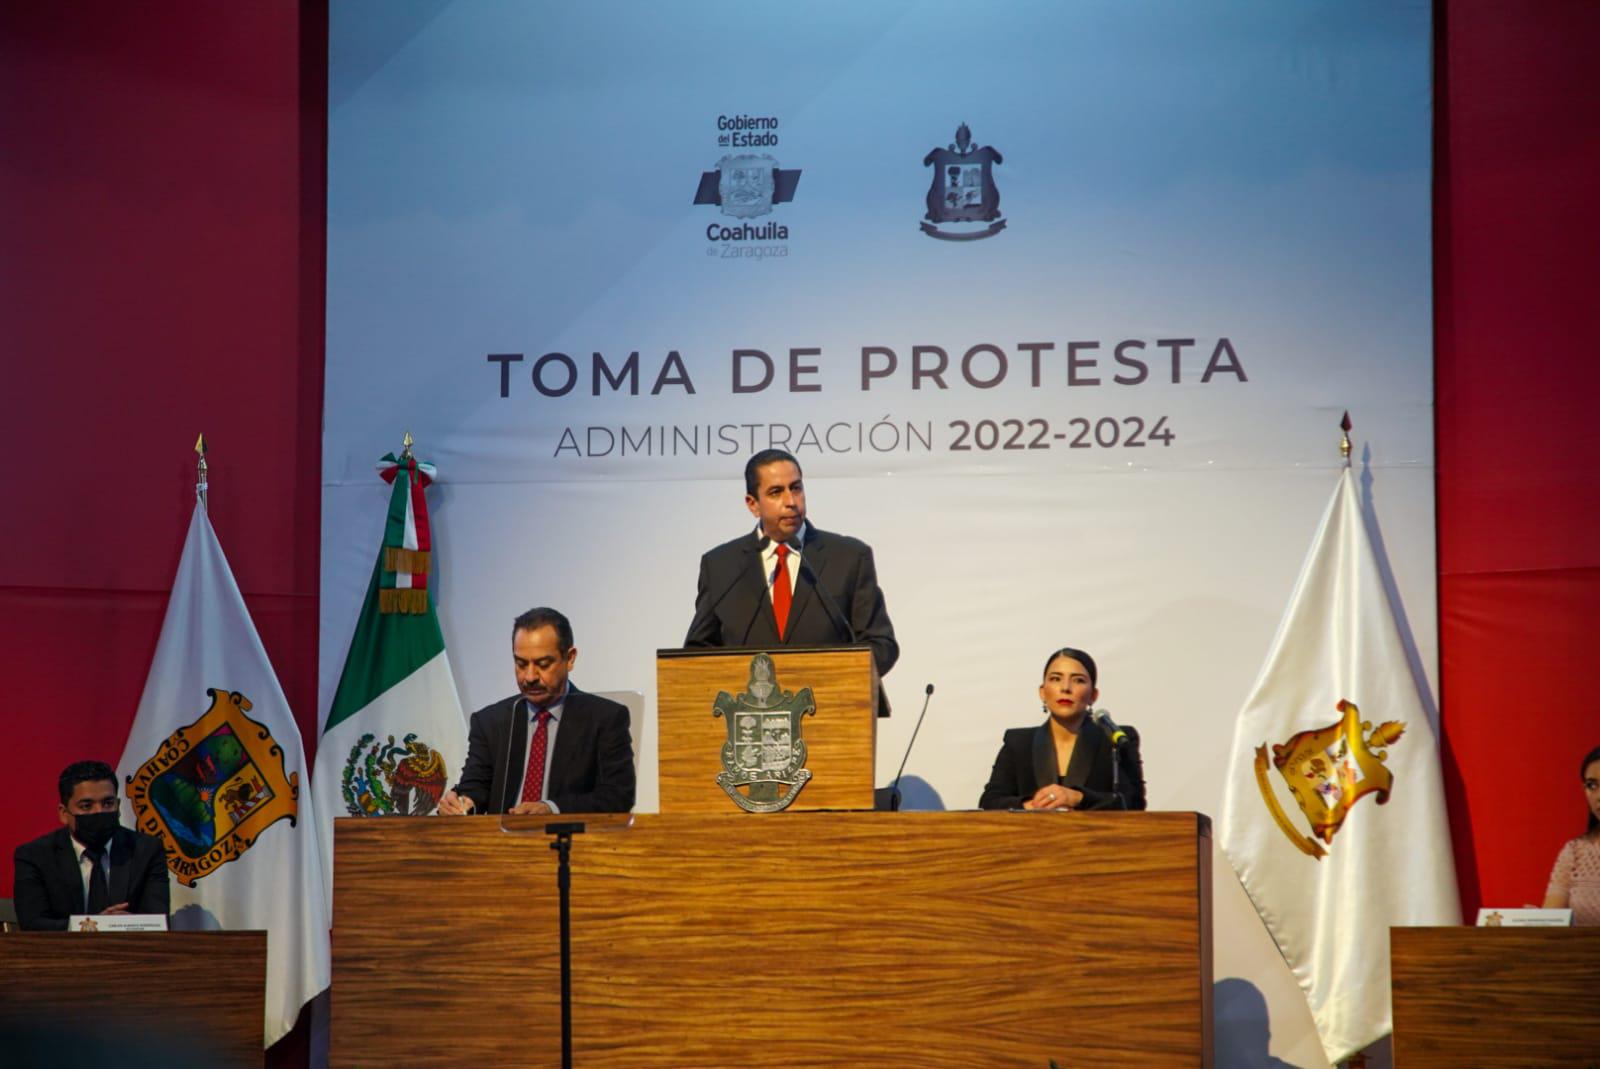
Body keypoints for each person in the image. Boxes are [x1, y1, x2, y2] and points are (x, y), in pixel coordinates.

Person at [684, 449, 899, 692]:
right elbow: (697, 651)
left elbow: (881, 645)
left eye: (796, 488)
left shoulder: (849, 557)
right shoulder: (721, 566)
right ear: (753, 504)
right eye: (776, 492)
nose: (791, 501)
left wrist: (836, 680)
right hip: (747, 718)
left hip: (831, 712)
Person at [438, 607, 635, 815]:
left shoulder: (605, 718)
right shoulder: (491, 722)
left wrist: (551, 809)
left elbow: (618, 796)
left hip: (569, 842)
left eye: (543, 664)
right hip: (502, 844)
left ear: (570, 658)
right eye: (521, 664)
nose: (530, 676)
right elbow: (475, 788)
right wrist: (461, 803)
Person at [978, 647, 1146, 811]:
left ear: (1093, 695)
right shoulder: (1019, 742)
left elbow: (1133, 803)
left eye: (1078, 680)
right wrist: (1032, 806)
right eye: (1056, 679)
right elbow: (990, 801)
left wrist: (1078, 798)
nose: (1065, 688)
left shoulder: (1115, 739)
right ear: (1042, 692)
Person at [12, 760, 171, 930]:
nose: (99, 812)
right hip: (62, 954)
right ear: (64, 813)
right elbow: (33, 924)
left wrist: (125, 925)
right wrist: (94, 926)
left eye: (107, 803)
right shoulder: (35, 855)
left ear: (118, 805)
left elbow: (157, 921)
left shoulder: (146, 850)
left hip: (129, 952)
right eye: (86, 806)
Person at [1541, 743, 1600, 925]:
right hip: (1580, 953)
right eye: (1592, 785)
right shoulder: (1575, 852)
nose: (1598, 795)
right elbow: (1549, 923)